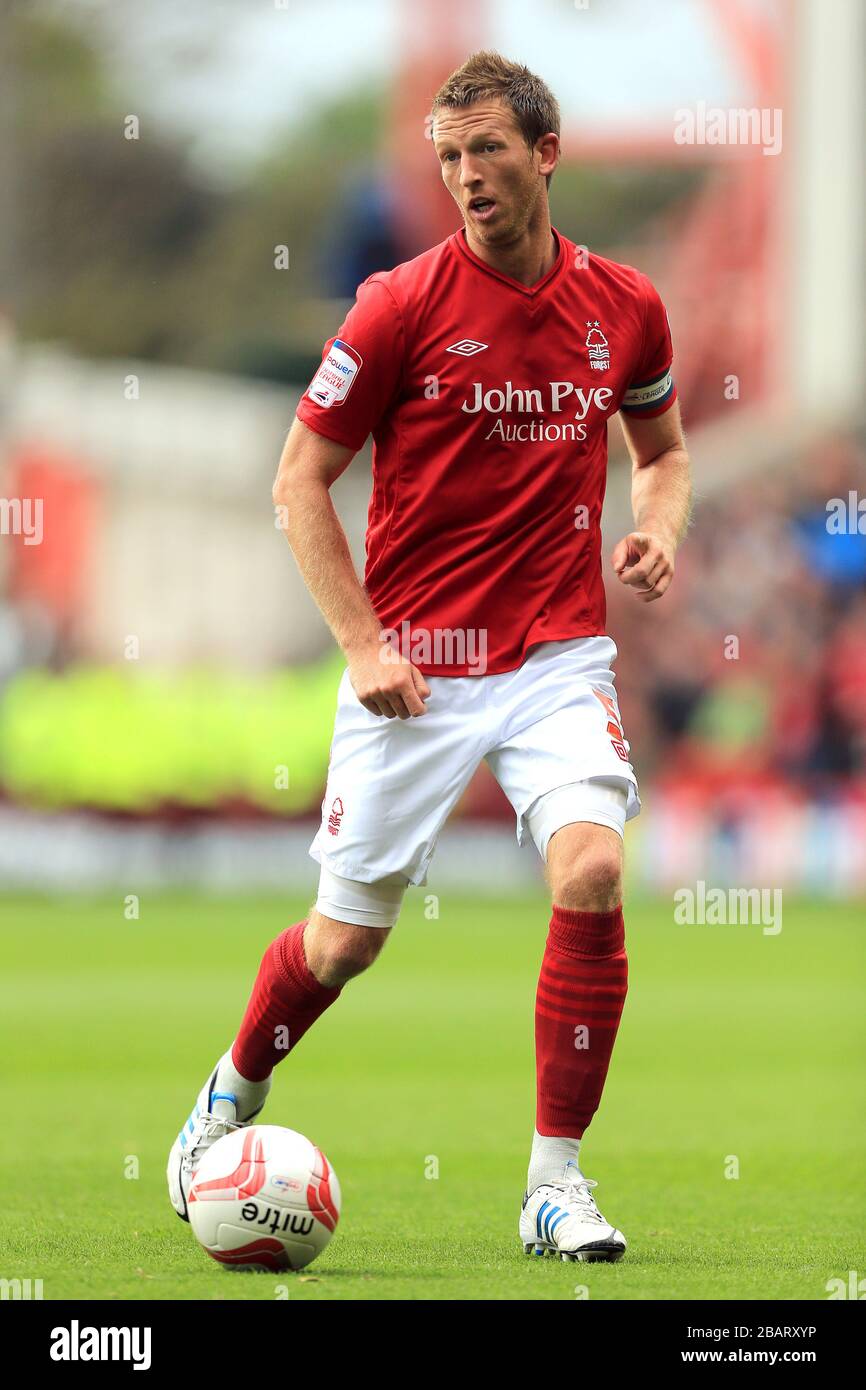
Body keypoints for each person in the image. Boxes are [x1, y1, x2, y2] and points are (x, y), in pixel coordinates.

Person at [168, 51, 692, 1263]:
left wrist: (654, 528)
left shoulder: (625, 304)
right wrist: (361, 644)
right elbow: (299, 482)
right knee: (342, 942)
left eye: (487, 152)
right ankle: (228, 1096)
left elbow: (659, 449)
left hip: (557, 653)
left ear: (544, 154)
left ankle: (553, 1184)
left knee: (592, 873)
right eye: (447, 158)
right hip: (416, 664)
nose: (464, 177)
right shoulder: (396, 306)